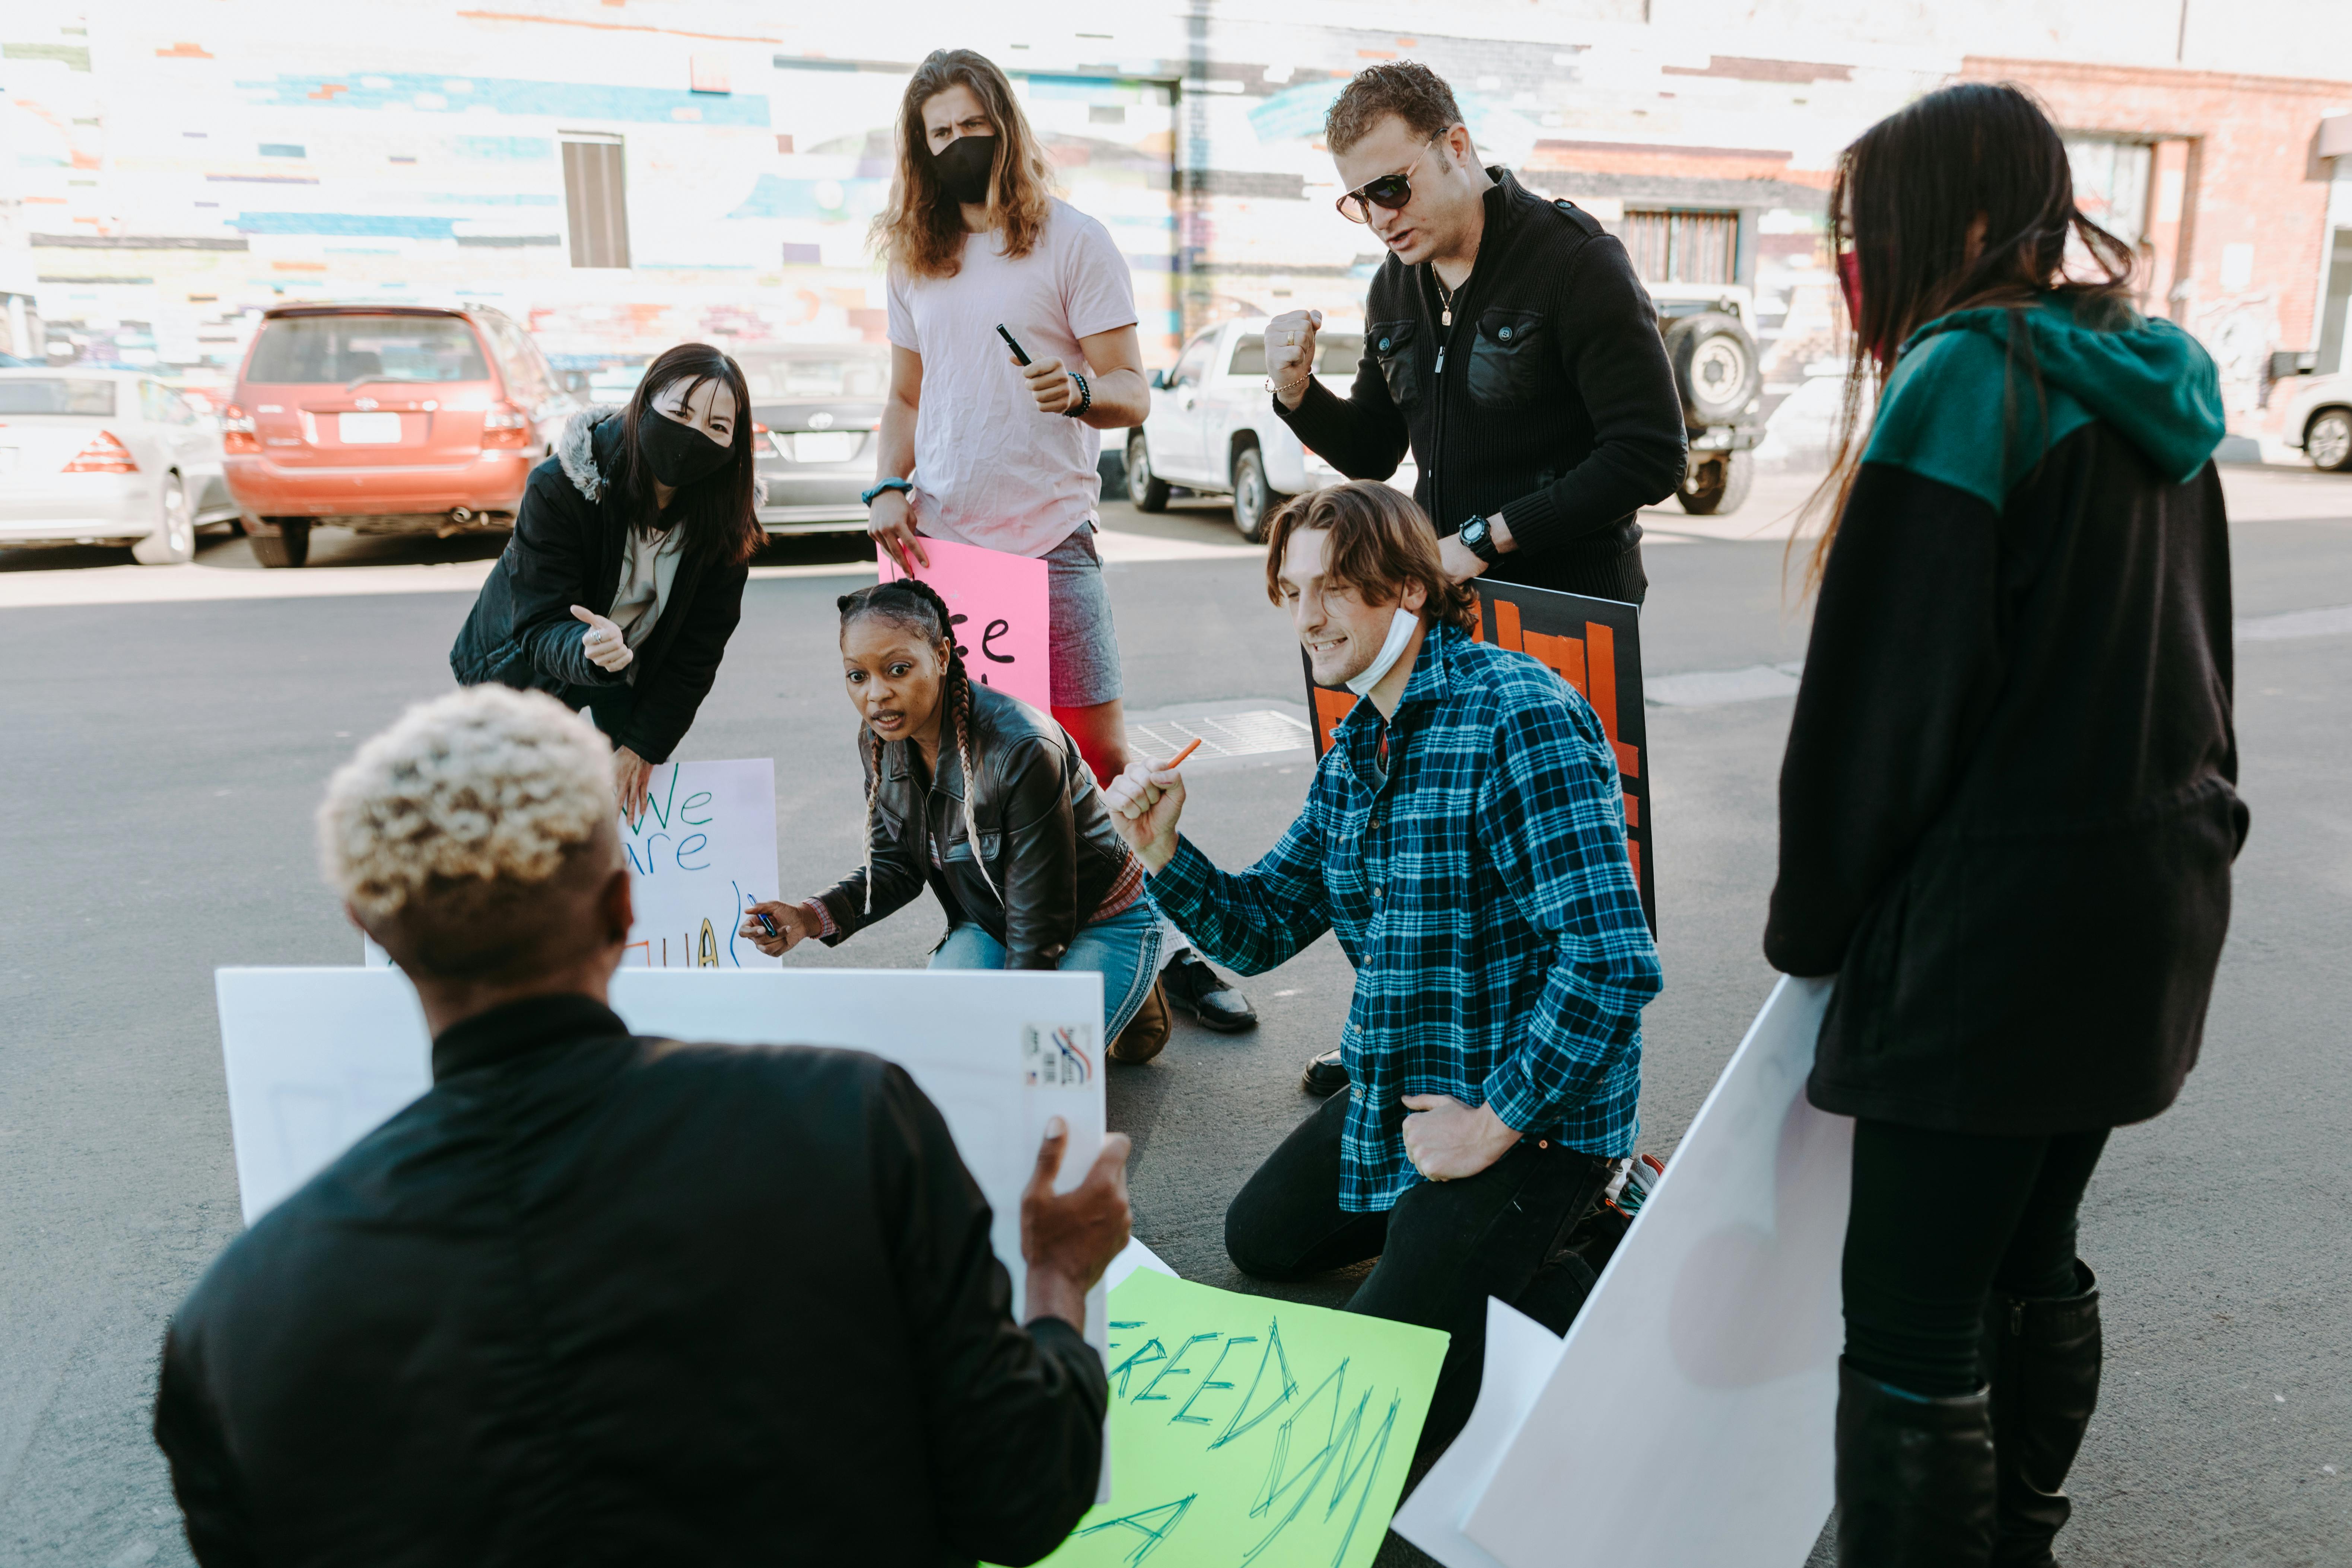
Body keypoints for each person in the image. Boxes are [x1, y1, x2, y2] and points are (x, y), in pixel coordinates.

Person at [153, 686, 1132, 1566]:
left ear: (370, 923)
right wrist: (1055, 1274)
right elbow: (1019, 1495)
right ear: (622, 906)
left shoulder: (234, 1326)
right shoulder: (854, 1124)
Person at [1765, 83, 2241, 1567]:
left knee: (1908, 1319)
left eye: (1865, 229)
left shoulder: (1966, 380)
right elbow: (2202, 665)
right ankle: (2021, 1538)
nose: (1856, 260)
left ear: (1958, 219)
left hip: (1992, 939)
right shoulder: (2149, 378)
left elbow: (1878, 718)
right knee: (2030, 1256)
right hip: (2147, 906)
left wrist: (1811, 934)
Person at [1102, 481, 1662, 1461]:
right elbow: (1262, 926)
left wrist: (1490, 1125)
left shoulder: (1515, 713)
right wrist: (1163, 852)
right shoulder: (1358, 744)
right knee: (1260, 1239)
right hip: (1406, 1084)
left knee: (1374, 1422)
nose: (1306, 616)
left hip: (1537, 1115)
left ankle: (1596, 1235)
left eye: (1334, 588)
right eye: (1290, 588)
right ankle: (1455, 1240)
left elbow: (1612, 963)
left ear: (1406, 586)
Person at [1261, 61, 1683, 1096]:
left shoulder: (1573, 262)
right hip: (1442, 607)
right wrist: (1293, 391)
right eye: (1356, 199)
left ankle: (1564, 1089)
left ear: (1457, 147)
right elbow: (1373, 445)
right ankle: (1408, 1040)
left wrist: (1485, 538)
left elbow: (1649, 455)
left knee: (1556, 867)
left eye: (1391, 188)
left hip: (1565, 607)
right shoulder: (1393, 282)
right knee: (1407, 840)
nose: (1376, 218)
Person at [864, 46, 1258, 1037]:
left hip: (1050, 539)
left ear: (1004, 123)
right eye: (936, 132)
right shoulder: (917, 256)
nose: (956, 144)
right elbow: (905, 396)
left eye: (969, 123)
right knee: (966, 770)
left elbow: (1132, 388)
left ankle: (1162, 941)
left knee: (1096, 756)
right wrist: (882, 485)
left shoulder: (1073, 242)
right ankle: (991, 936)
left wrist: (1079, 389)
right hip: (943, 554)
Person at [740, 578, 1172, 1062]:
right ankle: (1106, 994)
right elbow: (896, 869)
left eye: (898, 669)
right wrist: (807, 919)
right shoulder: (880, 740)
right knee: (941, 1051)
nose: (876, 695)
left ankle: (1133, 978)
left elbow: (1040, 922)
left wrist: (1019, 1048)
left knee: (1027, 1070)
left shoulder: (1024, 748)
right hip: (992, 921)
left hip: (1101, 918)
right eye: (857, 676)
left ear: (943, 656)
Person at [451, 342, 763, 822]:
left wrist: (642, 746)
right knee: (513, 813)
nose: (694, 434)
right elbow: (538, 623)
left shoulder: (723, 527)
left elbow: (696, 655)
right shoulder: (559, 488)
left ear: (734, 447)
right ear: (644, 402)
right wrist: (590, 649)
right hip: (529, 662)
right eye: (680, 411)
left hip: (634, 671)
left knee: (630, 809)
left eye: (717, 426)